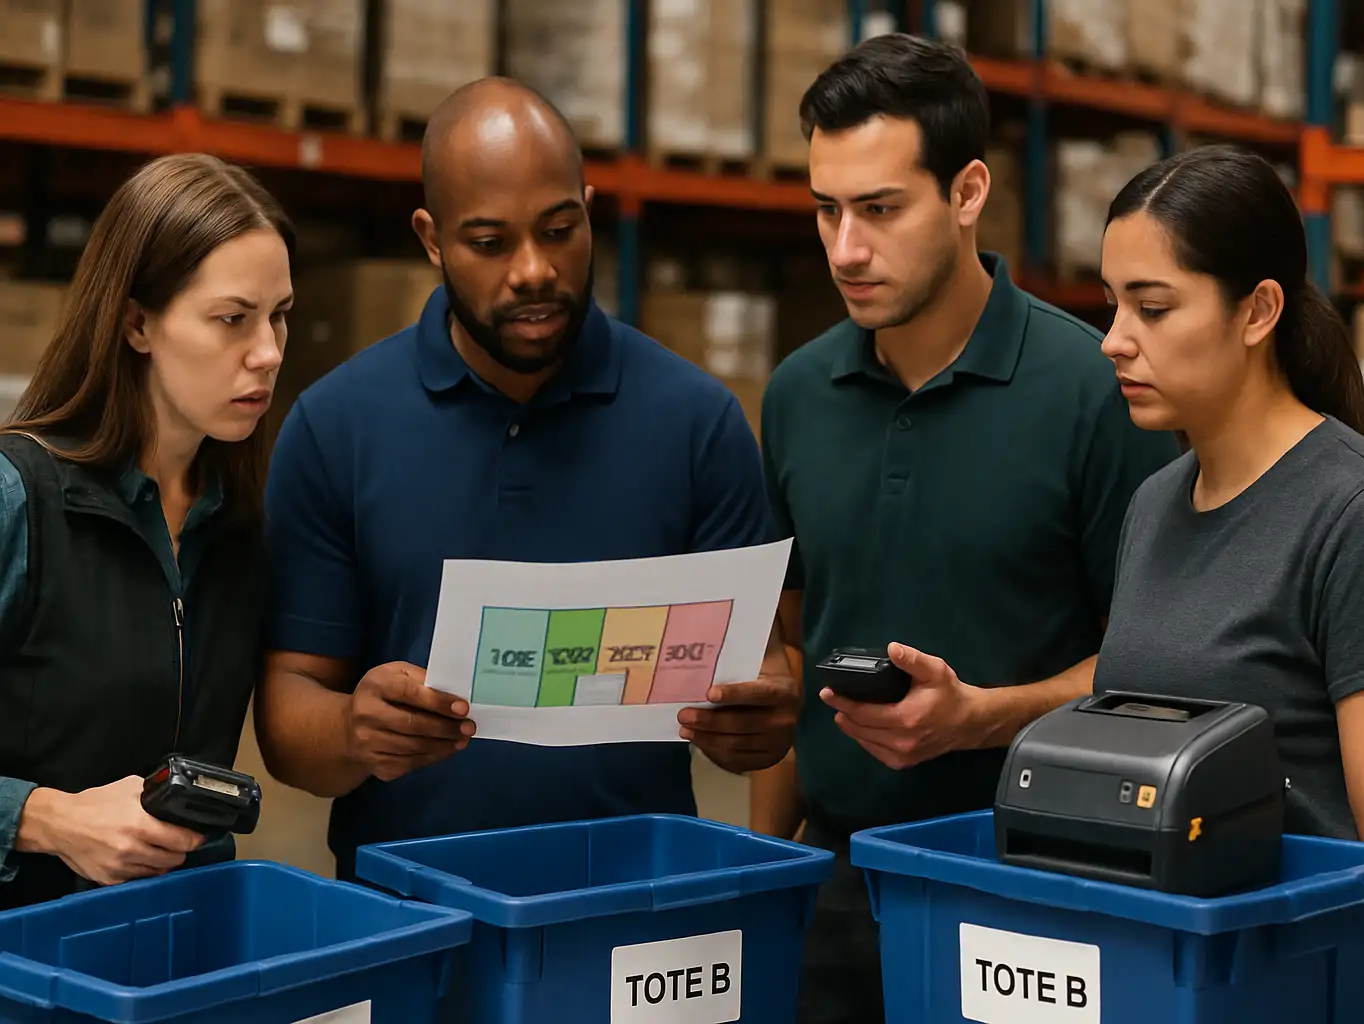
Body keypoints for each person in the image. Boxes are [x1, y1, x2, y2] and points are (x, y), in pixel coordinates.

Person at [254, 77, 798, 883]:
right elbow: (288, 708)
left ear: (589, 212)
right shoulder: (336, 429)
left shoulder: (697, 423)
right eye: (490, 243)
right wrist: (351, 733)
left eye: (559, 230)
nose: (535, 271)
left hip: (633, 910)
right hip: (413, 916)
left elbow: (766, 672)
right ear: (432, 239)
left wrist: (760, 723)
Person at [748, 33, 1182, 1024]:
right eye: (826, 209)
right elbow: (791, 652)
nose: (844, 249)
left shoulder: (1093, 394)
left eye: (880, 209)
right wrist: (771, 880)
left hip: (1032, 882)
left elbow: (1153, 674)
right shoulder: (796, 396)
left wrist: (980, 716)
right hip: (836, 886)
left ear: (968, 192)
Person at [1087, 145, 1364, 1024]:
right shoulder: (1154, 505)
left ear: (1257, 311)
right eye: (1112, 304)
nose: (1114, 339)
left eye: (1152, 307)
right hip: (1161, 987)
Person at [0, 152, 292, 908]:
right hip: (26, 950)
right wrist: (46, 818)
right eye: (232, 318)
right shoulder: (19, 498)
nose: (268, 352)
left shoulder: (239, 523)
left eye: (279, 315)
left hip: (177, 944)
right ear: (137, 323)